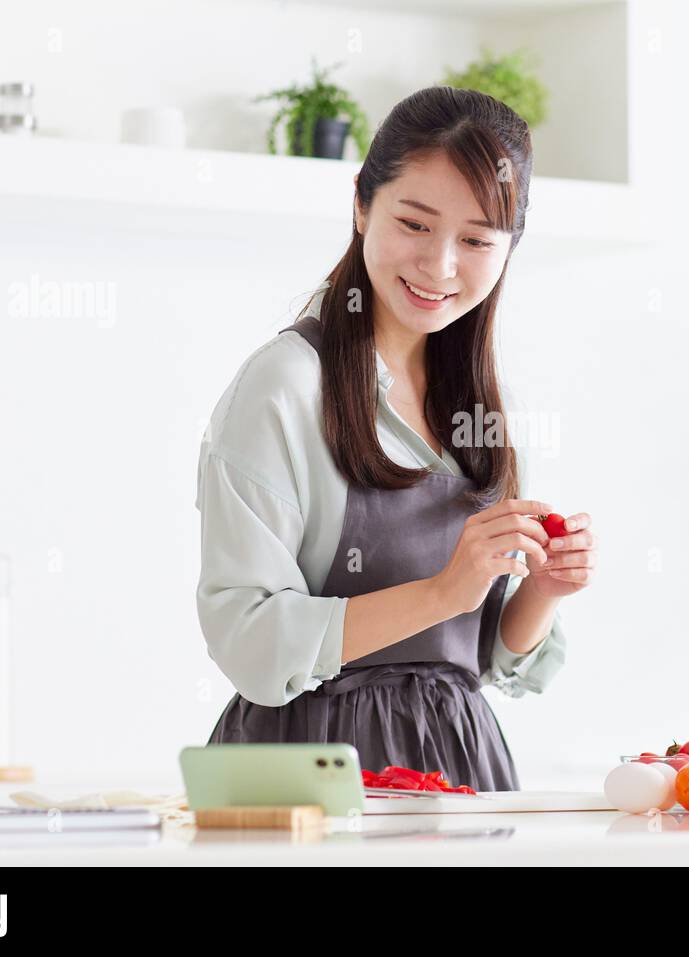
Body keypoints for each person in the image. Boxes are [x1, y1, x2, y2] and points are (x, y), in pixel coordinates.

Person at [195, 86, 598, 791]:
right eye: (414, 223)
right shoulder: (284, 388)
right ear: (361, 204)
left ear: (509, 248)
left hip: (460, 768)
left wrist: (544, 588)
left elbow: (488, 658)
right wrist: (445, 589)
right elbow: (251, 643)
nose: (440, 265)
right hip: (309, 777)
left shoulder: (481, 409)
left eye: (476, 240)